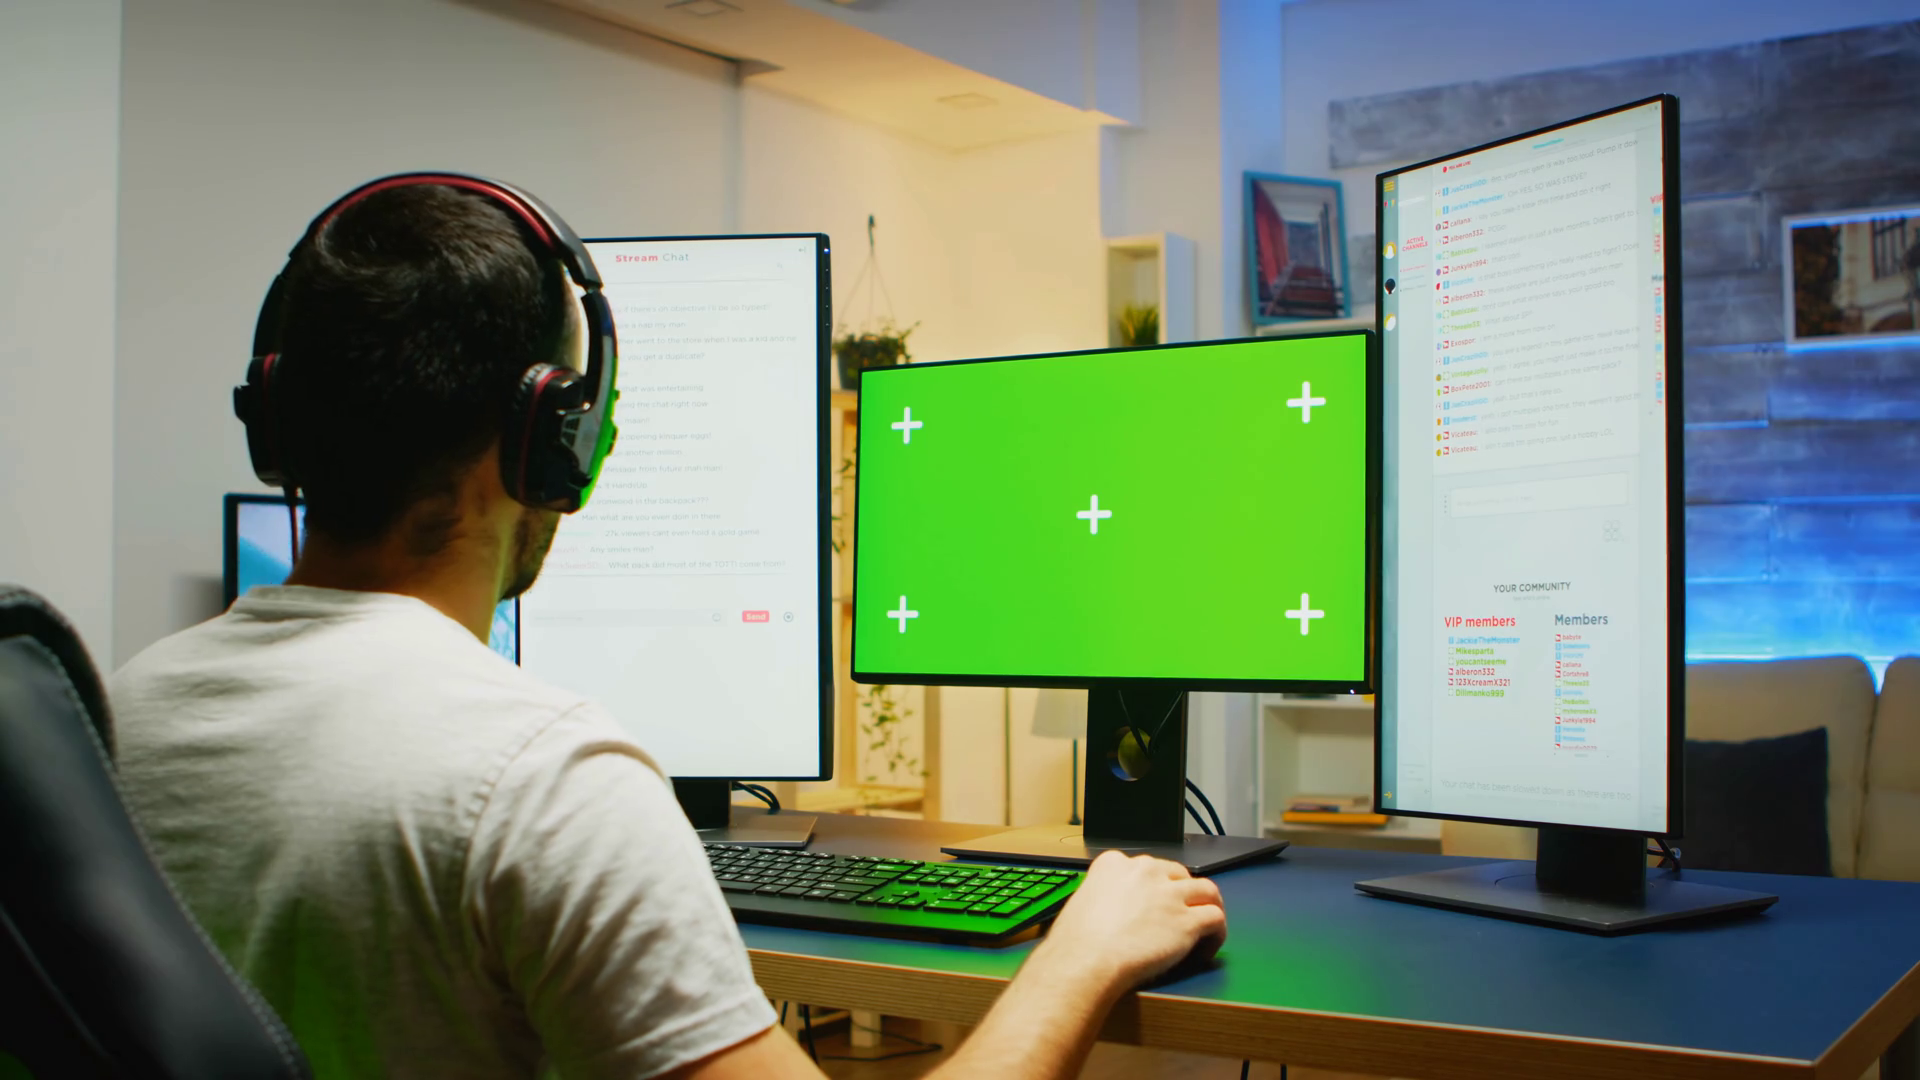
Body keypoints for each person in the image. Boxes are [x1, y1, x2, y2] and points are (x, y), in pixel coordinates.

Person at [108, 179, 1228, 1080]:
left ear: (277, 421)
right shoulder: (542, 781)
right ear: (559, 435)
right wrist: (1078, 959)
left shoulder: (103, 722)